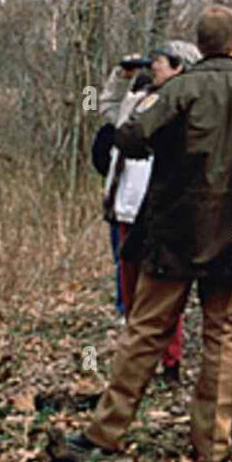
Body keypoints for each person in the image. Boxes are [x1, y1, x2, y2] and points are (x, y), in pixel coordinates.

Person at [70, 7, 232, 462]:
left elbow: (131, 138)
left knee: (145, 330)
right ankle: (212, 444)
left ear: (200, 47)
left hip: (175, 229)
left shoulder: (179, 89)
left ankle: (105, 432)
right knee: (223, 334)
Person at [103, 40, 198, 383]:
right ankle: (137, 359)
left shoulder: (190, 107)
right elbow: (106, 108)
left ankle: (170, 361)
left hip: (163, 211)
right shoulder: (140, 101)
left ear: (178, 67)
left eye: (158, 62)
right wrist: (121, 75)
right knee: (130, 288)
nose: (152, 67)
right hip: (126, 207)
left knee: (164, 291)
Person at [97, 52, 153, 316]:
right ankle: (128, 313)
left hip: (149, 204)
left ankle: (142, 317)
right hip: (121, 203)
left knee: (147, 269)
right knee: (124, 263)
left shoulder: (172, 110)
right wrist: (122, 75)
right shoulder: (126, 112)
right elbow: (105, 105)